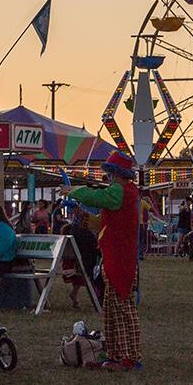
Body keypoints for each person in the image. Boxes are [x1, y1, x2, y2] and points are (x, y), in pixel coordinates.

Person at [68, 150, 144, 371]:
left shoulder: (121, 192)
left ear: (116, 174)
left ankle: (129, 357)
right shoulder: (122, 193)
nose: (108, 178)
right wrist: (81, 213)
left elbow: (97, 198)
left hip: (121, 260)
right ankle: (113, 354)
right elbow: (101, 223)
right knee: (111, 309)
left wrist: (75, 191)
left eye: (109, 173)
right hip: (114, 258)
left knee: (122, 309)